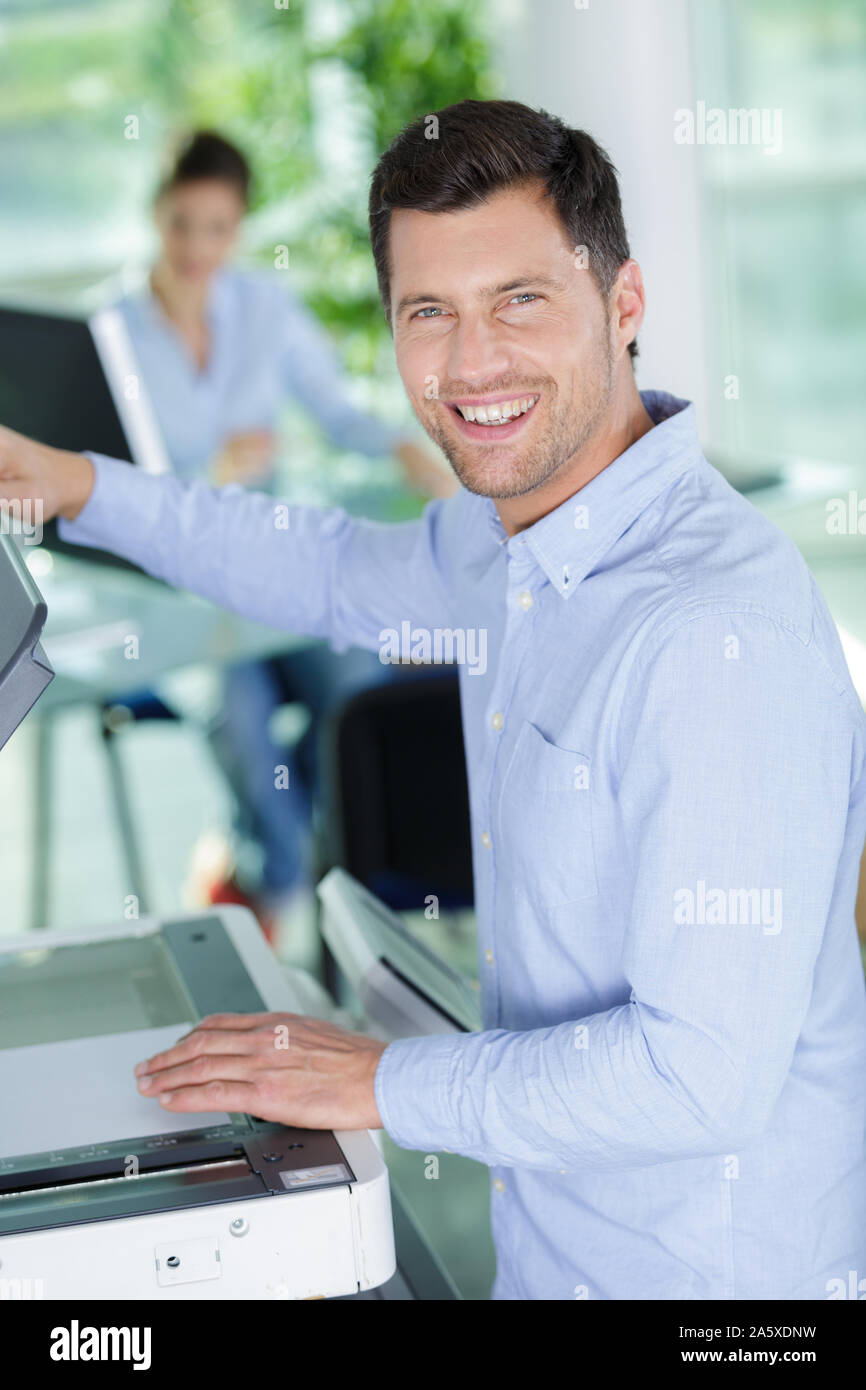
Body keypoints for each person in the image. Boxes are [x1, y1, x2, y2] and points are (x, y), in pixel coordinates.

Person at [3, 98, 865, 1302]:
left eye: (519, 299)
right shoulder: (501, 539)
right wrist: (81, 486)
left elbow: (700, 1077)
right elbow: (321, 564)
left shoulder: (709, 631)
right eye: (428, 313)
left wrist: (371, 1082)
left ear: (622, 307)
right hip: (544, 1253)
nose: (471, 365)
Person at [114, 130, 453, 930]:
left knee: (352, 685)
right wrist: (208, 478)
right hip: (170, 588)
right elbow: (104, 484)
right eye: (182, 223)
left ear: (240, 227)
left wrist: (409, 442)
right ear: (155, 216)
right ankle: (284, 885)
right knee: (242, 709)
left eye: (218, 227)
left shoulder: (264, 308)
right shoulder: (112, 328)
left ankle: (286, 867)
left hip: (263, 568)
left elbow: (337, 413)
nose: (199, 247)